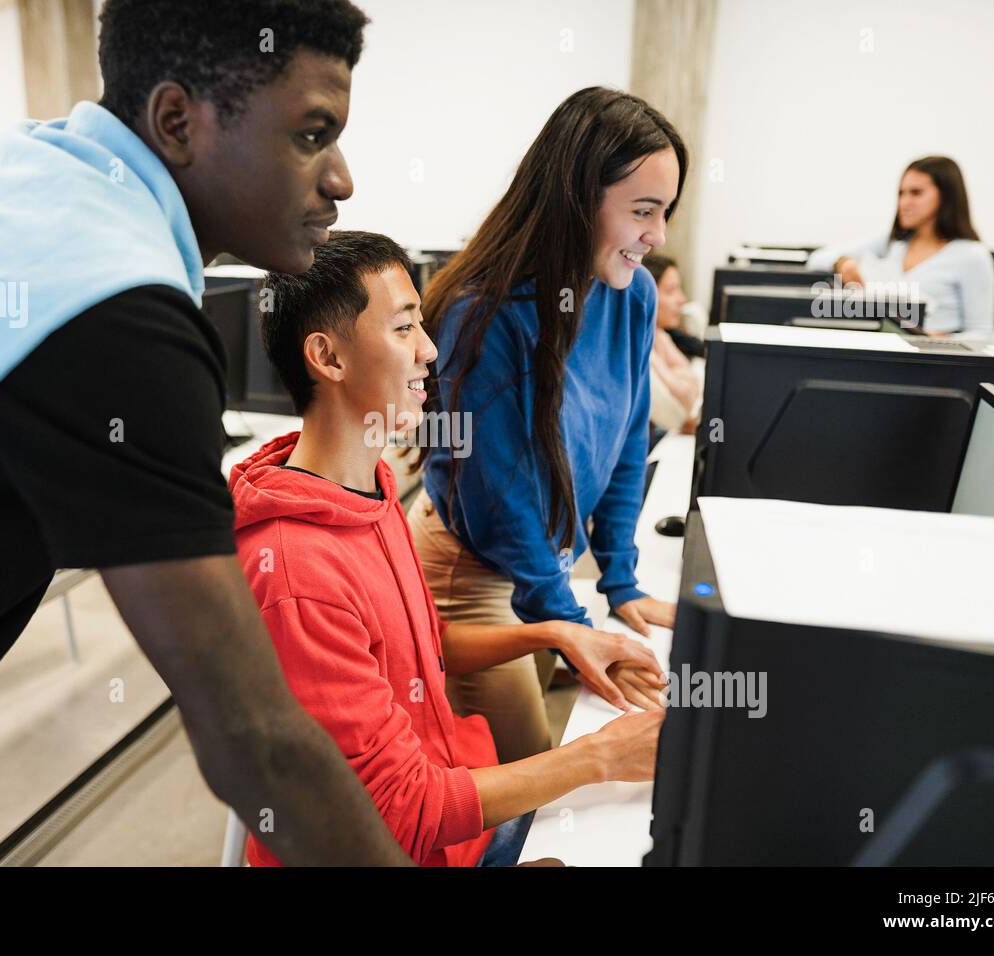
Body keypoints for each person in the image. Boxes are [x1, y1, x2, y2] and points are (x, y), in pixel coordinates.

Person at [0, 0, 414, 867]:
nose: (339, 178)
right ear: (178, 121)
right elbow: (256, 743)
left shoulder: (42, 172)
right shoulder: (114, 308)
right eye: (311, 135)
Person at [230, 231, 668, 866]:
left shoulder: (368, 491)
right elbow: (399, 812)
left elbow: (422, 649)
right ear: (328, 357)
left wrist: (553, 635)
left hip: (452, 827)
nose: (430, 350)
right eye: (405, 328)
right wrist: (600, 756)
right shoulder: (298, 572)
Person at [407, 88, 688, 763]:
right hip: (470, 573)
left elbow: (627, 439)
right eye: (643, 211)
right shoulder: (489, 315)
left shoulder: (632, 297)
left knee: (552, 741)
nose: (659, 236)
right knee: (529, 771)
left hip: (541, 564)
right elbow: (499, 503)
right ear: (576, 200)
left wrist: (620, 578)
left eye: (666, 212)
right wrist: (568, 620)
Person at [807, 155, 994, 336]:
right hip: (888, 351)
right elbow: (816, 259)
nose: (904, 203)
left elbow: (982, 334)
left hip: (935, 362)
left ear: (946, 196)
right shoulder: (892, 244)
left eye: (916, 193)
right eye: (901, 193)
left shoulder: (971, 256)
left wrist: (937, 340)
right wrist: (842, 263)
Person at [642, 253, 704, 436]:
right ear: (647, 294)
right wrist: (678, 377)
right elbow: (682, 412)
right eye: (671, 291)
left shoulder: (660, 336)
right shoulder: (639, 343)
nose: (681, 299)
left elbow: (693, 388)